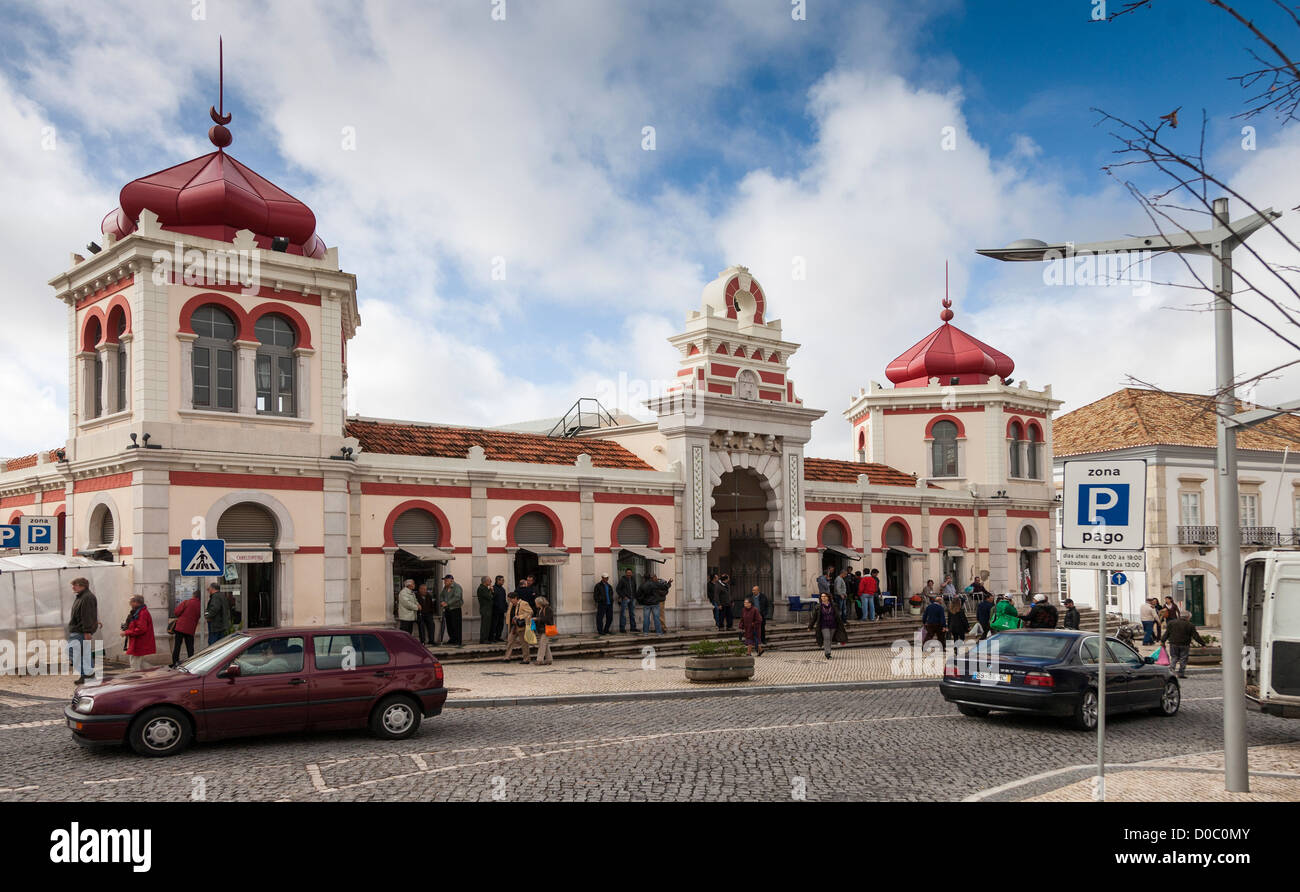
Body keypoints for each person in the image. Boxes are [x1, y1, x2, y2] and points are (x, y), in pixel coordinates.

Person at [1161, 613, 1205, 678]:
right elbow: (1195, 636)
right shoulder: (1190, 625)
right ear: (1188, 617)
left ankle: (1170, 671)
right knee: (1183, 659)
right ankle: (1181, 674)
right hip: (1184, 644)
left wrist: (1162, 641)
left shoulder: (1171, 623)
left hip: (1173, 643)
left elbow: (1167, 633)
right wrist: (1202, 643)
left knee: (1174, 657)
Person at [121, 595, 156, 671]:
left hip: (140, 641)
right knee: (138, 661)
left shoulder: (142, 613)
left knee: (135, 661)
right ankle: (155, 672)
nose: (130, 603)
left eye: (131, 602)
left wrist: (126, 632)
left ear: (136, 602)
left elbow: (141, 629)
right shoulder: (139, 612)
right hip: (138, 641)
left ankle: (136, 677)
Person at [809, 591, 847, 659]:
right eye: (822, 597)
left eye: (825, 596)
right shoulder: (818, 606)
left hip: (833, 625)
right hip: (824, 625)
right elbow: (814, 617)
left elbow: (837, 615)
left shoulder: (833, 605)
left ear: (828, 597)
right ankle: (827, 653)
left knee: (830, 639)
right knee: (826, 638)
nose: (823, 598)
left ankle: (828, 651)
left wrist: (841, 623)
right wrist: (810, 626)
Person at [169, 588, 201, 667]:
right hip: (191, 628)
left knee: (177, 646)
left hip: (180, 627)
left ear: (193, 595)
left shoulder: (187, 602)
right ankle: (191, 663)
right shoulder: (201, 605)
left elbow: (176, 612)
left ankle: (175, 662)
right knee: (190, 647)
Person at [503, 591, 534, 663]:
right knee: (510, 641)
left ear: (515, 598)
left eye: (511, 599)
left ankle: (526, 659)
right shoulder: (511, 604)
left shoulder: (524, 603)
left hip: (521, 626)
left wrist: (519, 617)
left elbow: (530, 612)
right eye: (509, 600)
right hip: (513, 626)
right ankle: (507, 657)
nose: (510, 601)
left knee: (524, 643)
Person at [204, 581, 230, 646]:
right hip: (221, 625)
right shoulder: (222, 596)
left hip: (216, 625)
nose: (208, 590)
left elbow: (214, 609)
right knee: (220, 644)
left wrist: (207, 616)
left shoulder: (215, 597)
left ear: (213, 588)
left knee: (213, 645)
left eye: (209, 588)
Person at [441, 574, 464, 647]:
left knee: (456, 625)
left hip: (455, 609)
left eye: (446, 580)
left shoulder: (457, 587)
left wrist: (447, 603)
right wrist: (442, 601)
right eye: (444, 580)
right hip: (448, 609)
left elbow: (457, 597)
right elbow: (441, 595)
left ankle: (458, 641)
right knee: (449, 625)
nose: (444, 582)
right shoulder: (445, 587)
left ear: (451, 580)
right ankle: (452, 639)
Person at [534, 596, 555, 665]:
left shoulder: (548, 609)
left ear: (540, 603)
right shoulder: (540, 609)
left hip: (546, 629)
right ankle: (549, 659)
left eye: (536, 603)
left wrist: (537, 619)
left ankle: (539, 660)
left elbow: (547, 619)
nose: (535, 604)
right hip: (541, 629)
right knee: (545, 645)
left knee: (542, 644)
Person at [616, 568, 639, 633]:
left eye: (630, 573)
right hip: (625, 599)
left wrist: (635, 597)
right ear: (625, 573)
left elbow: (634, 589)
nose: (629, 574)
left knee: (632, 613)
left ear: (632, 573)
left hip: (632, 598)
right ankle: (622, 628)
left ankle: (633, 627)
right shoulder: (622, 580)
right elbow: (618, 589)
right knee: (623, 614)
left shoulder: (633, 579)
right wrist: (624, 596)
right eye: (628, 573)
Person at [476, 576, 495, 644]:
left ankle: (485, 639)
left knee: (487, 624)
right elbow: (490, 597)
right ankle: (483, 639)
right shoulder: (482, 588)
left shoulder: (484, 588)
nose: (491, 582)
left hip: (487, 609)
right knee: (485, 625)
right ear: (485, 581)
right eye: (490, 580)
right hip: (485, 609)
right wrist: (491, 590)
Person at [490, 576, 508, 642]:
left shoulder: (503, 589)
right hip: (495, 610)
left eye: (503, 580)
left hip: (501, 610)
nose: (503, 581)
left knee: (501, 624)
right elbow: (492, 598)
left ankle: (498, 636)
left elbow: (504, 599)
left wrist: (506, 607)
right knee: (494, 624)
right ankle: (492, 637)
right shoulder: (493, 588)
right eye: (502, 580)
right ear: (498, 580)